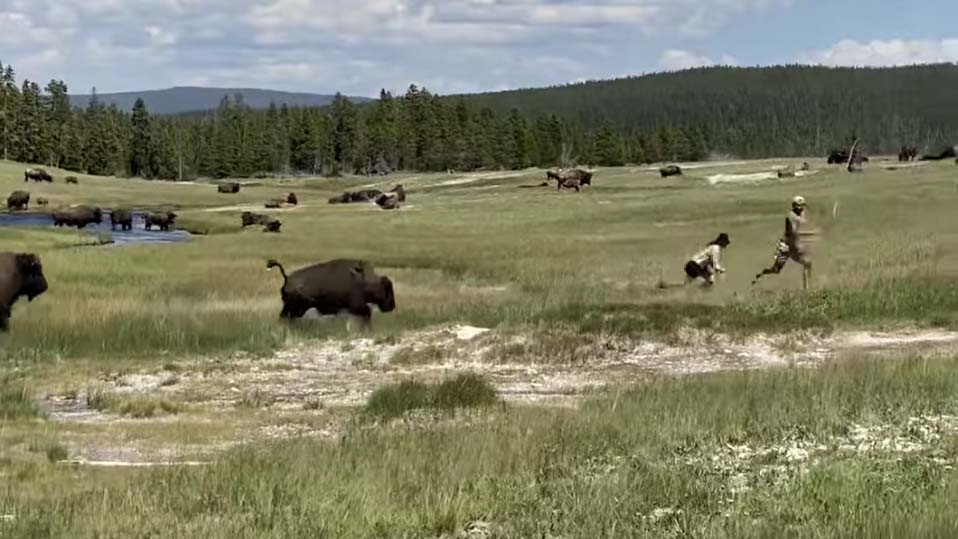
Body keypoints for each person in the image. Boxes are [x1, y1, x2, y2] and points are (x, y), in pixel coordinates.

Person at [752, 195, 814, 289]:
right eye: (798, 206)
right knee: (776, 270)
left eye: (802, 206)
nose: (801, 208)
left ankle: (806, 288)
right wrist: (807, 234)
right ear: (794, 206)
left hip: (794, 245)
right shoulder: (791, 216)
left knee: (807, 263)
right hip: (786, 247)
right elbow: (794, 232)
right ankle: (760, 275)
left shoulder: (800, 214)